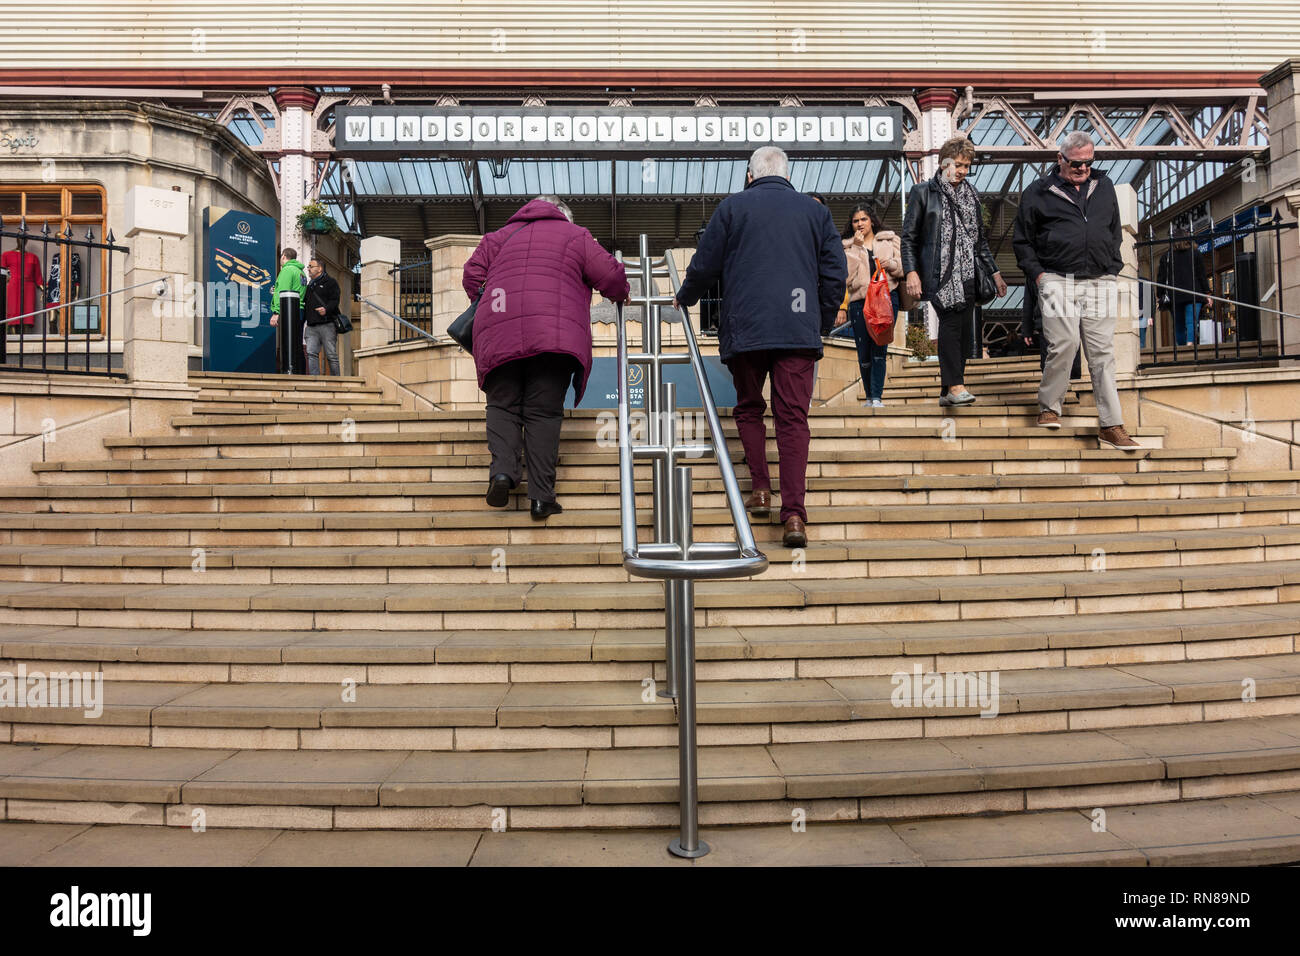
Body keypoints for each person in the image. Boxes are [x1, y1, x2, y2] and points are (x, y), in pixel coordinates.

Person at [673, 145, 846, 548]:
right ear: (788, 175)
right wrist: (816, 320)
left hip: (747, 327)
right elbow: (834, 273)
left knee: (750, 408)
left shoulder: (732, 208)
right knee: (793, 418)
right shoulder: (815, 212)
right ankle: (795, 516)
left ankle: (761, 490)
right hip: (797, 330)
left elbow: (705, 263)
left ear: (750, 175)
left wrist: (686, 295)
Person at [463, 194, 628, 520]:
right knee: (542, 412)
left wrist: (499, 303)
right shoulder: (575, 235)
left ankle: (502, 474)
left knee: (502, 404)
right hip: (553, 336)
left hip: (498, 331)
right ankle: (541, 498)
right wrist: (623, 293)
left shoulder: (497, 237)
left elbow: (472, 277)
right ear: (561, 215)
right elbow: (609, 277)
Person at [1013, 131, 1139, 449]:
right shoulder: (1037, 193)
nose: (1082, 169)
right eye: (1075, 163)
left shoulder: (1104, 186)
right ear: (1060, 159)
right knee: (1065, 344)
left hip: (1099, 279)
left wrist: (1112, 268)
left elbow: (1113, 229)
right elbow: (1022, 241)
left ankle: (1111, 424)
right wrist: (1039, 275)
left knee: (1102, 355)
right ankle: (1049, 408)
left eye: (1087, 163)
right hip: (1056, 278)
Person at [900, 137, 1007, 406]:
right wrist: (912, 272)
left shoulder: (972, 194)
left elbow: (979, 240)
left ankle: (948, 391)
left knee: (963, 333)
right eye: (958, 165)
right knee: (950, 324)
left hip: (969, 273)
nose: (962, 171)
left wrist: (995, 273)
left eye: (967, 166)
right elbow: (909, 237)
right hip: (940, 274)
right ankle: (957, 386)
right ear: (944, 162)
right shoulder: (923, 192)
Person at [834, 205, 902, 407]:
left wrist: (890, 264)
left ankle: (877, 397)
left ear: (872, 220)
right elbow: (845, 277)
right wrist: (855, 247)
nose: (860, 224)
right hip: (859, 302)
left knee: (879, 348)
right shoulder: (845, 246)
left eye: (864, 219)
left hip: (886, 299)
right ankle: (870, 396)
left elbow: (904, 266)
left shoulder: (889, 240)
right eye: (856, 221)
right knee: (863, 351)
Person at [1156, 226, 1212, 346]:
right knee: (1191, 322)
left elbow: (1161, 278)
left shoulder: (1166, 257)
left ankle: (1181, 349)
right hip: (1194, 293)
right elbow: (1201, 275)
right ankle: (1190, 344)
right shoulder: (1195, 253)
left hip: (1175, 295)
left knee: (1179, 324)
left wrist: (1159, 295)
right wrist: (1207, 293)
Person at [302, 257, 342, 376]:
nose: (308, 269)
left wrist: (326, 309)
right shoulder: (309, 285)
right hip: (311, 326)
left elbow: (335, 300)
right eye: (308, 266)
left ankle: (337, 381)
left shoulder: (331, 282)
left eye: (311, 266)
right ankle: (314, 381)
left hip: (327, 324)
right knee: (311, 353)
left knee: (331, 355)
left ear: (319, 268)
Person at [270, 248, 306, 374]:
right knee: (297, 343)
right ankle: (299, 372)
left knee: (288, 342)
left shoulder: (287, 270)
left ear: (284, 256)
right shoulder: (301, 273)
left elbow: (283, 291)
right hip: (299, 310)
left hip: (288, 310)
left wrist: (276, 312)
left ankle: (289, 371)